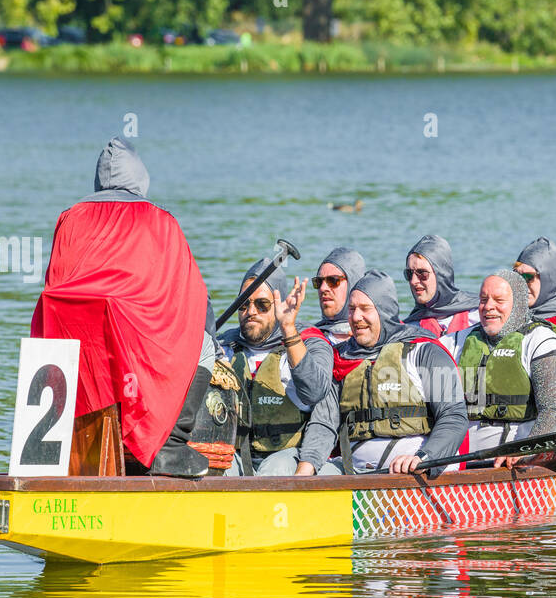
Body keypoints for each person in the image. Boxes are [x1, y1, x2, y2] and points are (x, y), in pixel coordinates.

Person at [31, 136, 210, 478]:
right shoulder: (160, 219)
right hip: (134, 337)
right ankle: (168, 445)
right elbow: (193, 296)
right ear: (141, 179)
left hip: (70, 342)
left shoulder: (68, 217)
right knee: (205, 343)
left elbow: (53, 281)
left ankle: (56, 452)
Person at [332, 270, 469, 474]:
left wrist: (423, 457)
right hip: (354, 470)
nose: (356, 317)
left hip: (415, 468)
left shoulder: (426, 351)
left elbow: (454, 417)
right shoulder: (341, 357)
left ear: (384, 311)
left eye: (365, 309)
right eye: (351, 309)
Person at [215, 259, 339, 476]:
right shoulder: (222, 347)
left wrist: (288, 328)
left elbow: (316, 392)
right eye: (243, 304)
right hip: (235, 454)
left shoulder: (311, 344)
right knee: (214, 466)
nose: (251, 311)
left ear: (279, 305)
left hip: (287, 456)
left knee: (275, 469)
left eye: (262, 305)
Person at [458, 269, 556, 460]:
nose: (488, 306)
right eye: (483, 299)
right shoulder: (457, 341)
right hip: (466, 464)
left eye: (499, 301)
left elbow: (555, 412)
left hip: (526, 461)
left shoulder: (543, 342)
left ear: (517, 304)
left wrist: (525, 449)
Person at [402, 234, 480, 338]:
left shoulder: (481, 315)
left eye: (422, 273)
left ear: (442, 274)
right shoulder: (409, 329)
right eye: (409, 273)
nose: (413, 281)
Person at [514, 236, 556, 341]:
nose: (521, 284)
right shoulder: (502, 307)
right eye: (517, 276)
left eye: (528, 277)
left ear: (548, 277)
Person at [313, 246, 364, 346]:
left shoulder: (378, 340)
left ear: (353, 283)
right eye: (318, 282)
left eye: (333, 281)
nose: (323, 288)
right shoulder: (307, 339)